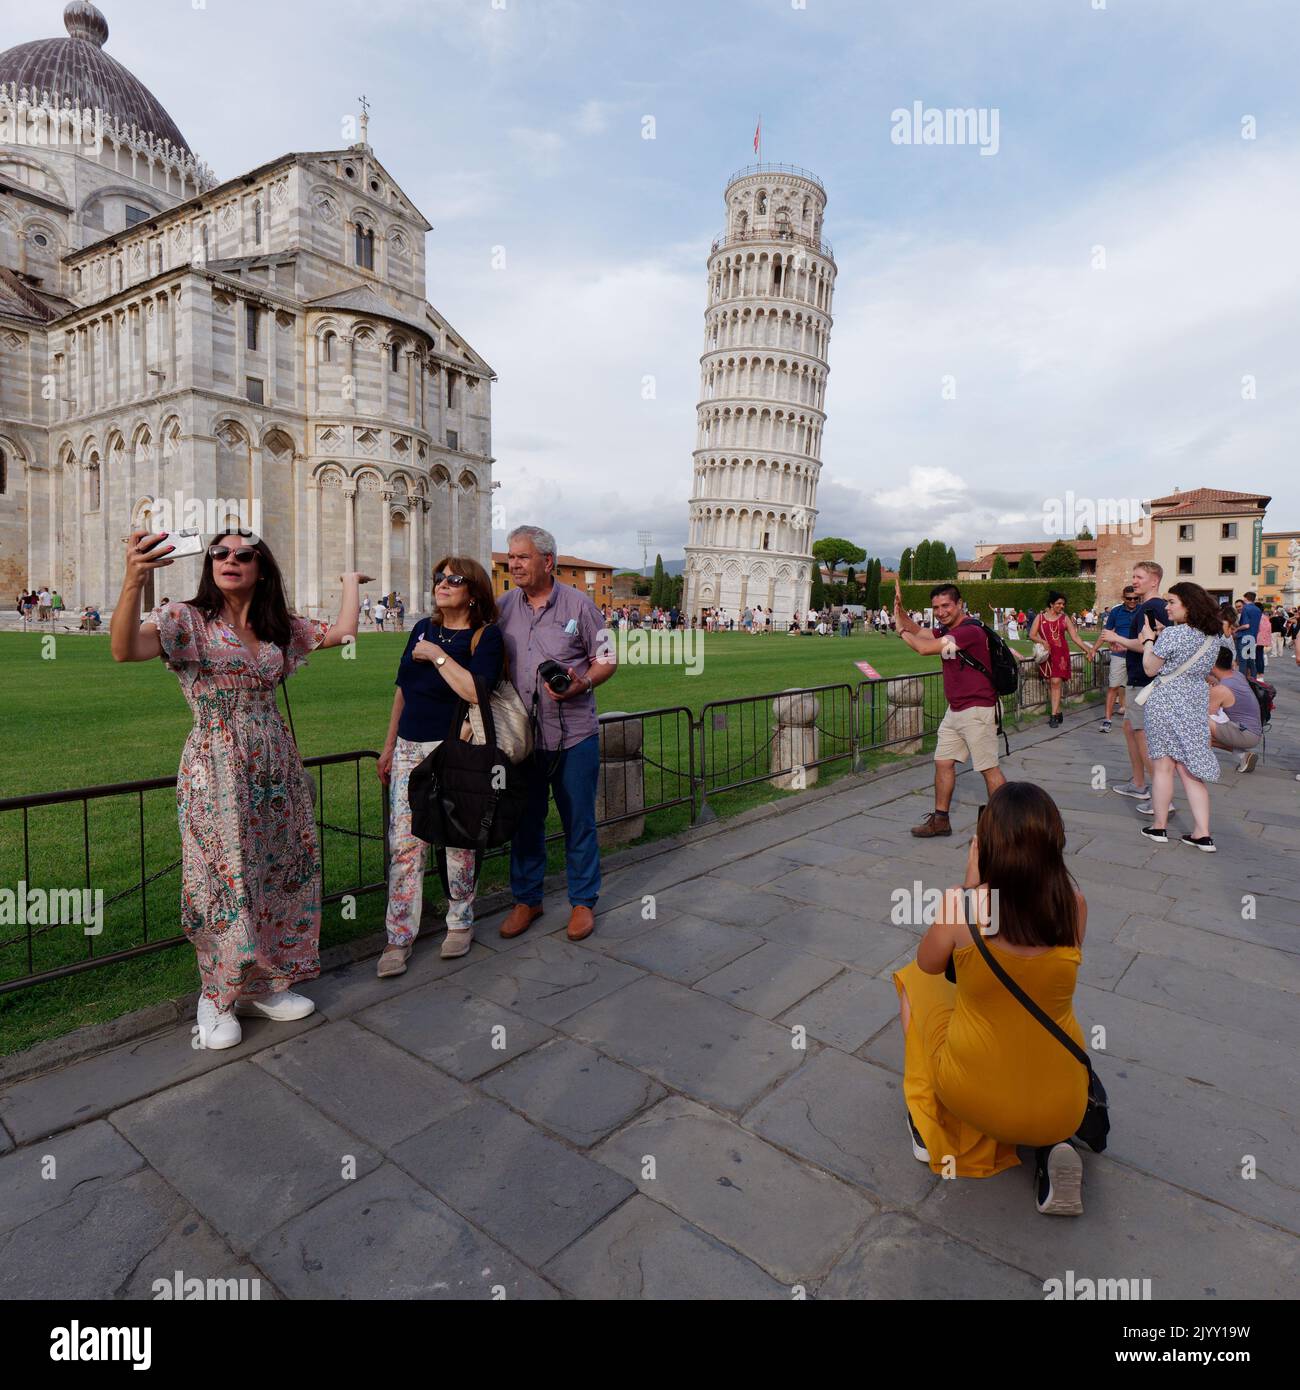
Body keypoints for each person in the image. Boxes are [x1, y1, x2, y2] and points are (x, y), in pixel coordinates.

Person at [110, 529, 368, 1049]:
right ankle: (217, 995)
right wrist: (135, 577)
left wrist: (348, 583)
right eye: (220, 553)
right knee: (222, 882)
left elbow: (342, 633)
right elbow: (123, 649)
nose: (230, 560)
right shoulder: (187, 620)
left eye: (243, 555)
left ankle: (265, 984)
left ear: (261, 568)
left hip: (275, 763)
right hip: (216, 762)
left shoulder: (278, 629)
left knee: (277, 872)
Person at [894, 783, 1090, 1214]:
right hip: (1066, 1104)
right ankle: (1051, 1148)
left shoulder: (962, 906)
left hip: (972, 1098)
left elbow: (929, 966)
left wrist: (969, 887)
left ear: (985, 843)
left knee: (913, 983)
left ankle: (930, 1125)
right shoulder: (1074, 904)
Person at [375, 557, 503, 975]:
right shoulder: (421, 628)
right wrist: (389, 745)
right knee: (405, 845)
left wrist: (437, 657)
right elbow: (402, 691)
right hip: (410, 748)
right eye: (439, 578)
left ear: (474, 592)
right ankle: (398, 938)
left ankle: (460, 923)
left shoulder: (486, 637)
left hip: (456, 749)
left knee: (458, 842)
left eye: (454, 579)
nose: (442, 584)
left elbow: (474, 691)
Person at [497, 525, 617, 942]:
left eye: (522, 557)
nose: (513, 564)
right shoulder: (504, 606)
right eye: (511, 557)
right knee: (525, 822)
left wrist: (580, 682)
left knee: (578, 821)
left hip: (574, 736)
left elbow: (607, 658)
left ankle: (583, 902)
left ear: (547, 561)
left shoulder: (581, 606)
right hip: (523, 739)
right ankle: (527, 899)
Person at [896, 583, 1006, 838]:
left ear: (959, 604)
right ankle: (941, 820)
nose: (941, 611)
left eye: (946, 606)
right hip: (955, 709)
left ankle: (1004, 827)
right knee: (943, 762)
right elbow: (922, 632)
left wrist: (900, 630)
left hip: (977, 708)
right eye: (936, 607)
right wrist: (899, 612)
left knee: (989, 768)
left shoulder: (969, 631)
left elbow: (924, 647)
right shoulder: (950, 629)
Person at [1138, 581, 1226, 851]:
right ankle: (1203, 833)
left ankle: (1159, 827)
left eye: (1172, 602)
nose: (1167, 606)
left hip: (1166, 702)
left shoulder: (1174, 635)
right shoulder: (1214, 636)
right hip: (1195, 701)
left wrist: (1150, 641)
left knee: (1163, 766)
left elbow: (1150, 669)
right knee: (1190, 770)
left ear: (1188, 605)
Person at [1100, 560, 1172, 818]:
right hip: (1140, 677)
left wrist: (1117, 638)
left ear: (1154, 580)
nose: (1134, 580)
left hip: (1144, 679)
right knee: (1130, 727)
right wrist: (1126, 642)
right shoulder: (1152, 606)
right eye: (1133, 576)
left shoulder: (1151, 607)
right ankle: (1139, 784)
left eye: (1139, 576)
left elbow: (1150, 645)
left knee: (1141, 733)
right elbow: (1146, 641)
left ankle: (1160, 796)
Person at [1030, 591, 1095, 727]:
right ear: (1051, 604)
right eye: (1059, 603)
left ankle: (1053, 715)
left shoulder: (1064, 618)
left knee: (1055, 681)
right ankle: (1057, 710)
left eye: (1063, 604)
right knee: (1050, 682)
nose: (1062, 606)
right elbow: (1032, 634)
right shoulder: (1040, 617)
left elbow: (1075, 637)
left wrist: (1087, 649)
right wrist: (1042, 642)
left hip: (1060, 655)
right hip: (1047, 655)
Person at [1208, 647, 1261, 774]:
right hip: (1253, 731)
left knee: (1197, 724)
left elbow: (1207, 714)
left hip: (1245, 734)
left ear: (1212, 663)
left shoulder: (1221, 689)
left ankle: (1200, 763)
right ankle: (1243, 756)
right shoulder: (1237, 675)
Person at [1099, 589, 1138, 732]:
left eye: (1135, 598)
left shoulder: (1142, 610)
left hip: (1136, 655)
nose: (1133, 601)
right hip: (1119, 655)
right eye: (1129, 599)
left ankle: (1133, 720)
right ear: (1124, 598)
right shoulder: (1116, 612)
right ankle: (1107, 720)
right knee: (1113, 686)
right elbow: (1106, 632)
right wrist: (1094, 649)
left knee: (1135, 688)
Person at [1234, 591, 1262, 678]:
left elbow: (1246, 625)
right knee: (1251, 662)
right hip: (1253, 638)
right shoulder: (1258, 609)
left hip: (1244, 638)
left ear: (1246, 598)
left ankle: (1242, 681)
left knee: (1242, 662)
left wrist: (1236, 629)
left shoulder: (1246, 608)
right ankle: (1254, 680)